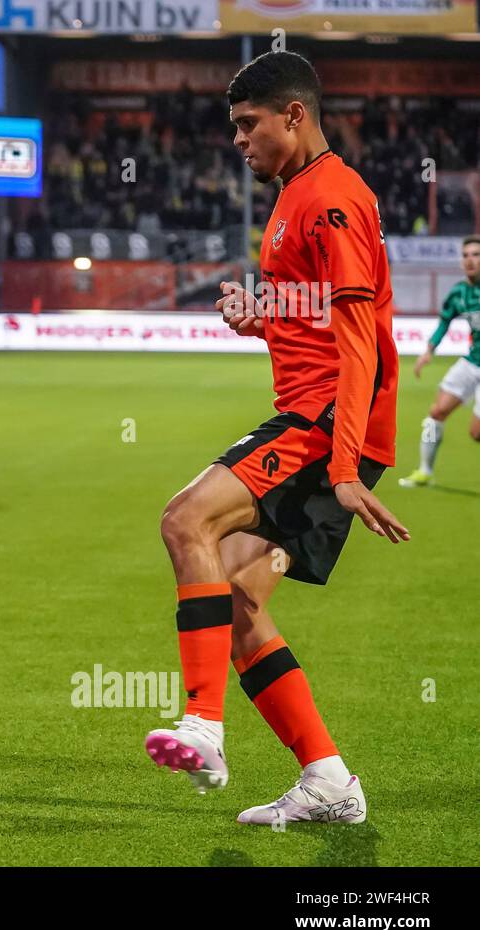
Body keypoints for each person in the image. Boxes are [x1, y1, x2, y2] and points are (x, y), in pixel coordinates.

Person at [146, 52, 407, 826]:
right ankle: (329, 781)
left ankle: (203, 726)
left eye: (248, 124)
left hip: (327, 422)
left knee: (185, 519)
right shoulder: (298, 193)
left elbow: (362, 341)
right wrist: (266, 314)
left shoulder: (331, 198)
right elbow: (323, 309)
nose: (239, 141)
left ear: (295, 115)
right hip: (315, 412)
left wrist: (347, 463)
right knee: (231, 599)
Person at [398, 235, 480, 487]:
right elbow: (445, 321)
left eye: (476, 255)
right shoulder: (459, 292)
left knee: (476, 433)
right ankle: (424, 471)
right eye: (466, 255)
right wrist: (428, 350)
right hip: (470, 362)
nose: (470, 260)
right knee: (436, 412)